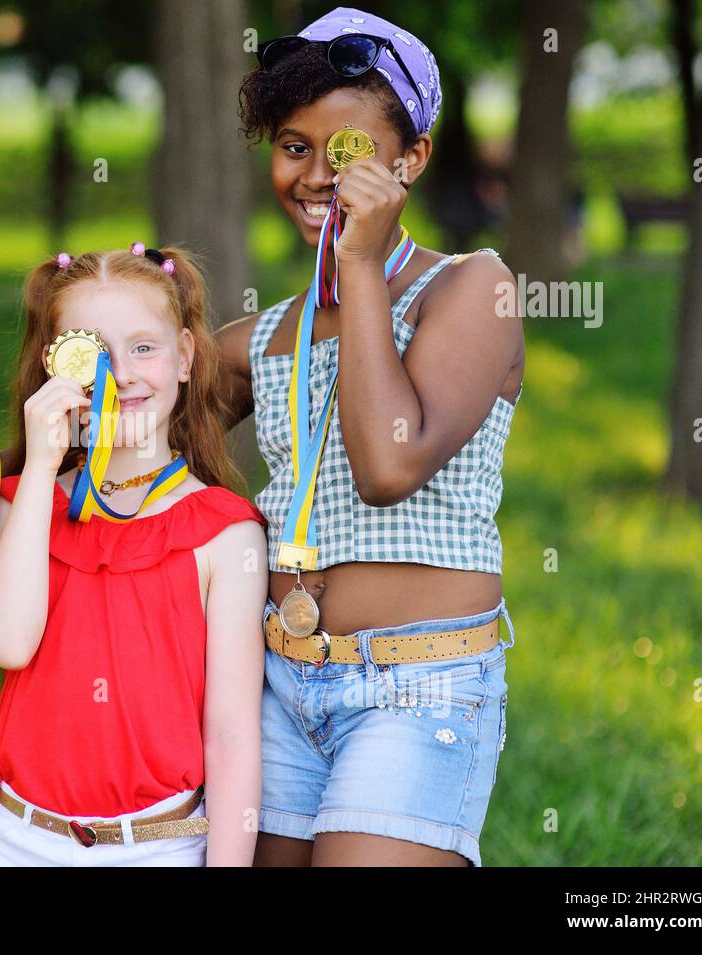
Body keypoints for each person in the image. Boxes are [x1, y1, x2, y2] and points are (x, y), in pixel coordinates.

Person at [216, 7, 525, 866]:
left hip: (418, 685)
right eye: (294, 146)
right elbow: (107, 439)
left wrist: (358, 264)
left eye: (347, 150)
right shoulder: (262, 337)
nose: (317, 174)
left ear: (411, 159)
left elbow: (388, 465)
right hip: (278, 681)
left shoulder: (472, 289)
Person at [0, 244, 268, 866]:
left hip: (160, 845)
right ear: (55, 366)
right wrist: (43, 464)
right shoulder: (23, 504)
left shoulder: (225, 533)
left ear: (184, 357)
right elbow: (7, 643)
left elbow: (231, 734)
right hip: (20, 839)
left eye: (144, 348)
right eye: (93, 353)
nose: (122, 374)